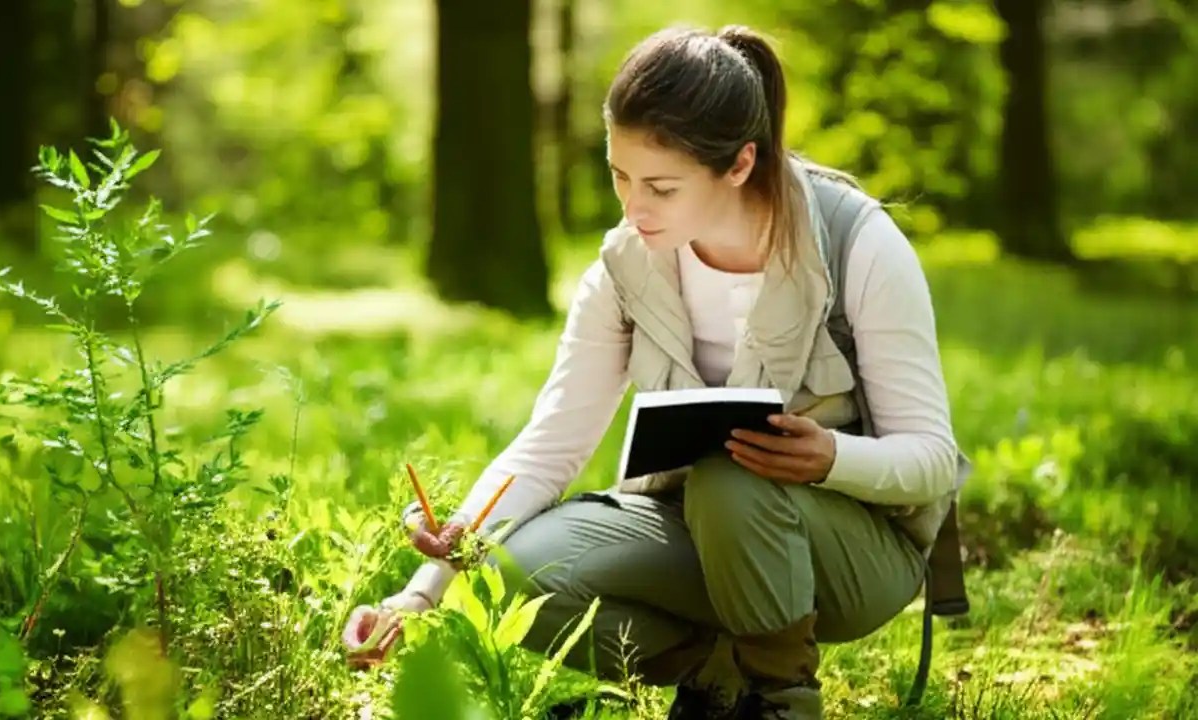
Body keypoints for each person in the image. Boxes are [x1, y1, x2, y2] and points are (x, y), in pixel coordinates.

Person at [343, 23, 969, 720]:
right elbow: (551, 445)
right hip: (696, 533)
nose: (634, 209)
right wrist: (423, 588)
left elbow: (934, 461)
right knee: (513, 568)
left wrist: (827, 456)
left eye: (662, 187)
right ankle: (720, 679)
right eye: (620, 177)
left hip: (853, 553)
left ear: (738, 165)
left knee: (732, 475)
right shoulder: (625, 266)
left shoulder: (859, 245)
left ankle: (782, 699)